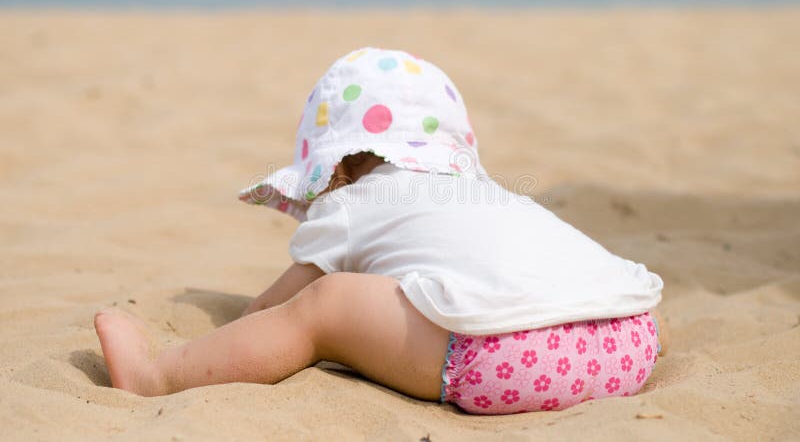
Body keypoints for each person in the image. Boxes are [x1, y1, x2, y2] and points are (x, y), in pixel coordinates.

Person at [94, 47, 666, 414]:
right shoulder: (485, 193)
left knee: (326, 304)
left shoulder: (355, 200)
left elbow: (274, 313)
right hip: (630, 339)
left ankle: (152, 378)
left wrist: (262, 320)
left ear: (336, 168)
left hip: (512, 361)